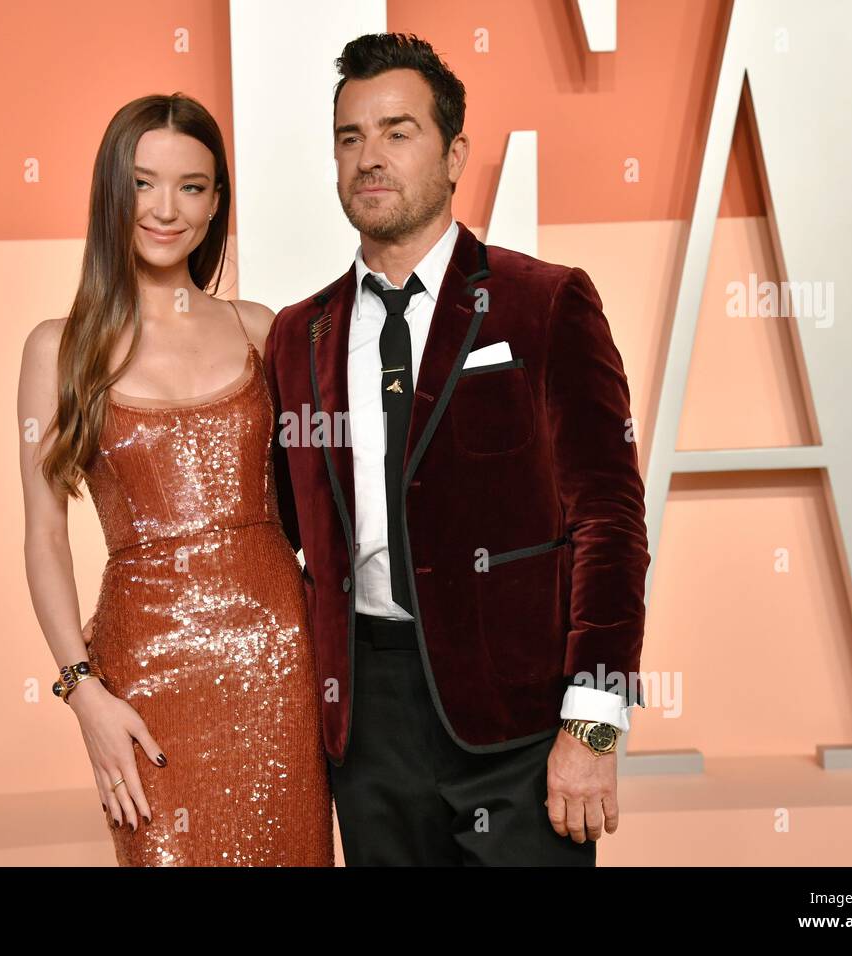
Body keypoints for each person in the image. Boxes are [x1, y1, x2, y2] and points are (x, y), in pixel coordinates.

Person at [263, 34, 652, 865]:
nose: (370, 158)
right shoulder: (299, 335)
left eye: (398, 132)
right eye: (350, 137)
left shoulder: (544, 302)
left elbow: (611, 523)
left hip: (520, 725)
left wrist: (594, 722)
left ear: (454, 154)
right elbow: (288, 532)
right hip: (365, 732)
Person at [17, 93, 333, 866]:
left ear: (217, 200)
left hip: (278, 666)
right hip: (142, 676)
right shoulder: (57, 351)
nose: (165, 208)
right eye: (143, 182)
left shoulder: (262, 329)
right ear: (110, 192)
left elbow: (328, 507)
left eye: (192, 186)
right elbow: (44, 534)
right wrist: (82, 692)